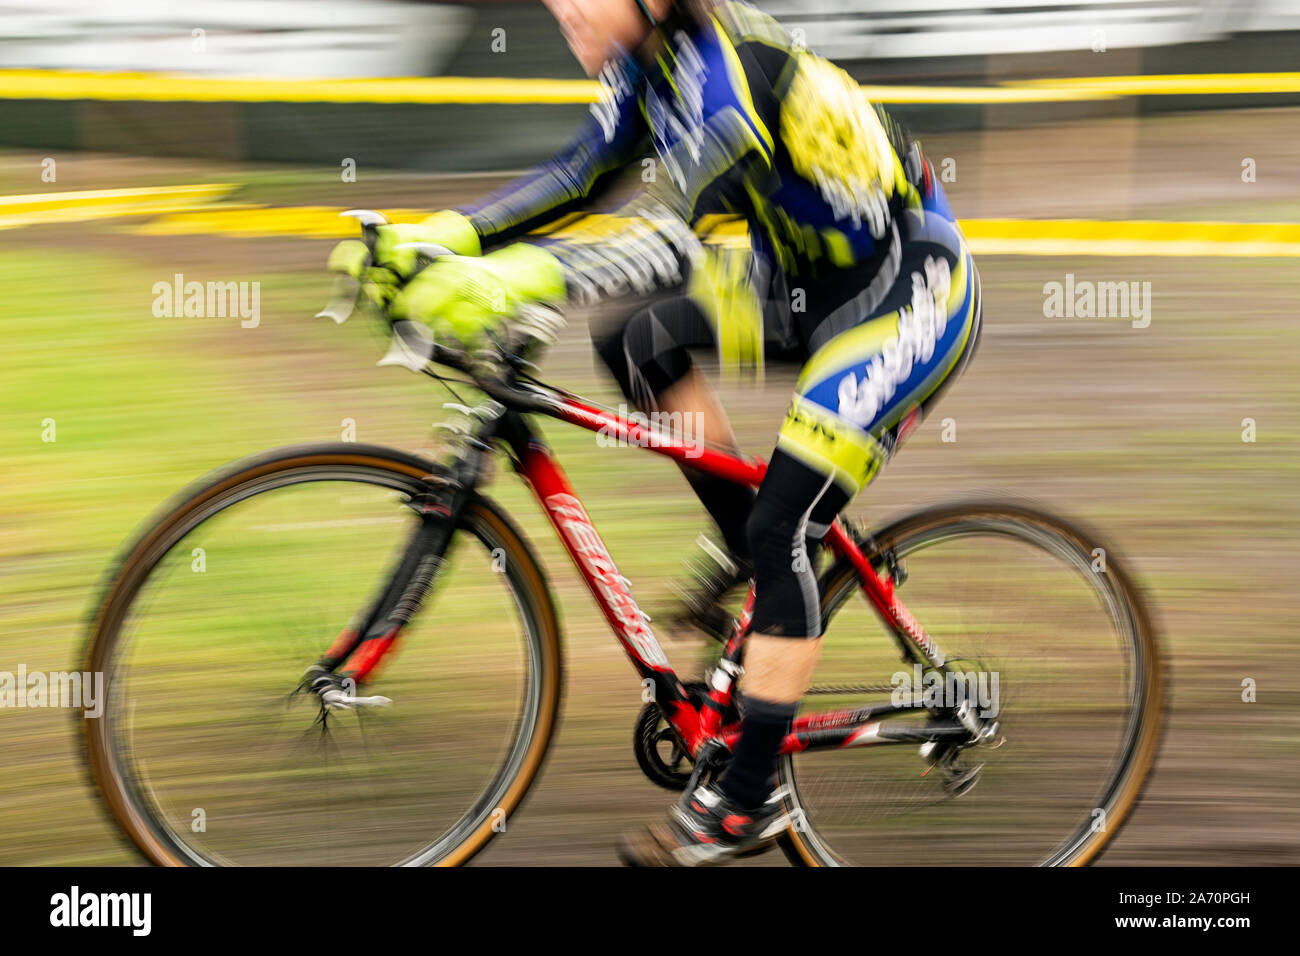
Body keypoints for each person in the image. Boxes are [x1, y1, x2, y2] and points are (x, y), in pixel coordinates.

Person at [329, 0, 982, 866]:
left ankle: (746, 802)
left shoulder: (725, 80)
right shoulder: (651, 64)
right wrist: (445, 237)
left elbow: (669, 240)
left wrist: (515, 277)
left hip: (909, 296)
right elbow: (576, 176)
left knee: (787, 521)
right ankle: (754, 554)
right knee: (636, 340)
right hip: (805, 279)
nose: (562, 5)